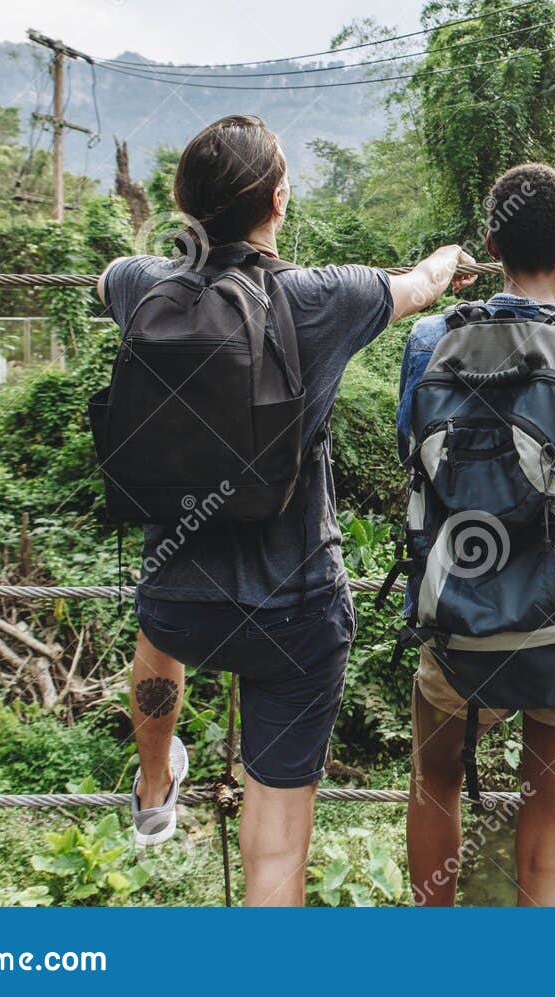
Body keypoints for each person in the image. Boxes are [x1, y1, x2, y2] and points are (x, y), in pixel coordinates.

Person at [98, 114, 473, 906]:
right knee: (275, 855)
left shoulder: (144, 290)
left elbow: (106, 276)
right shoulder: (321, 298)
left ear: (184, 207)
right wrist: (447, 258)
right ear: (278, 199)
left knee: (154, 620)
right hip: (295, 611)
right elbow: (423, 284)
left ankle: (154, 782)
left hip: (178, 605)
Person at [398, 162, 555, 907]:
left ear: (490, 242)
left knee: (435, 780)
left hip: (455, 617)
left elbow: (415, 461)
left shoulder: (425, 342)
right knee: (549, 832)